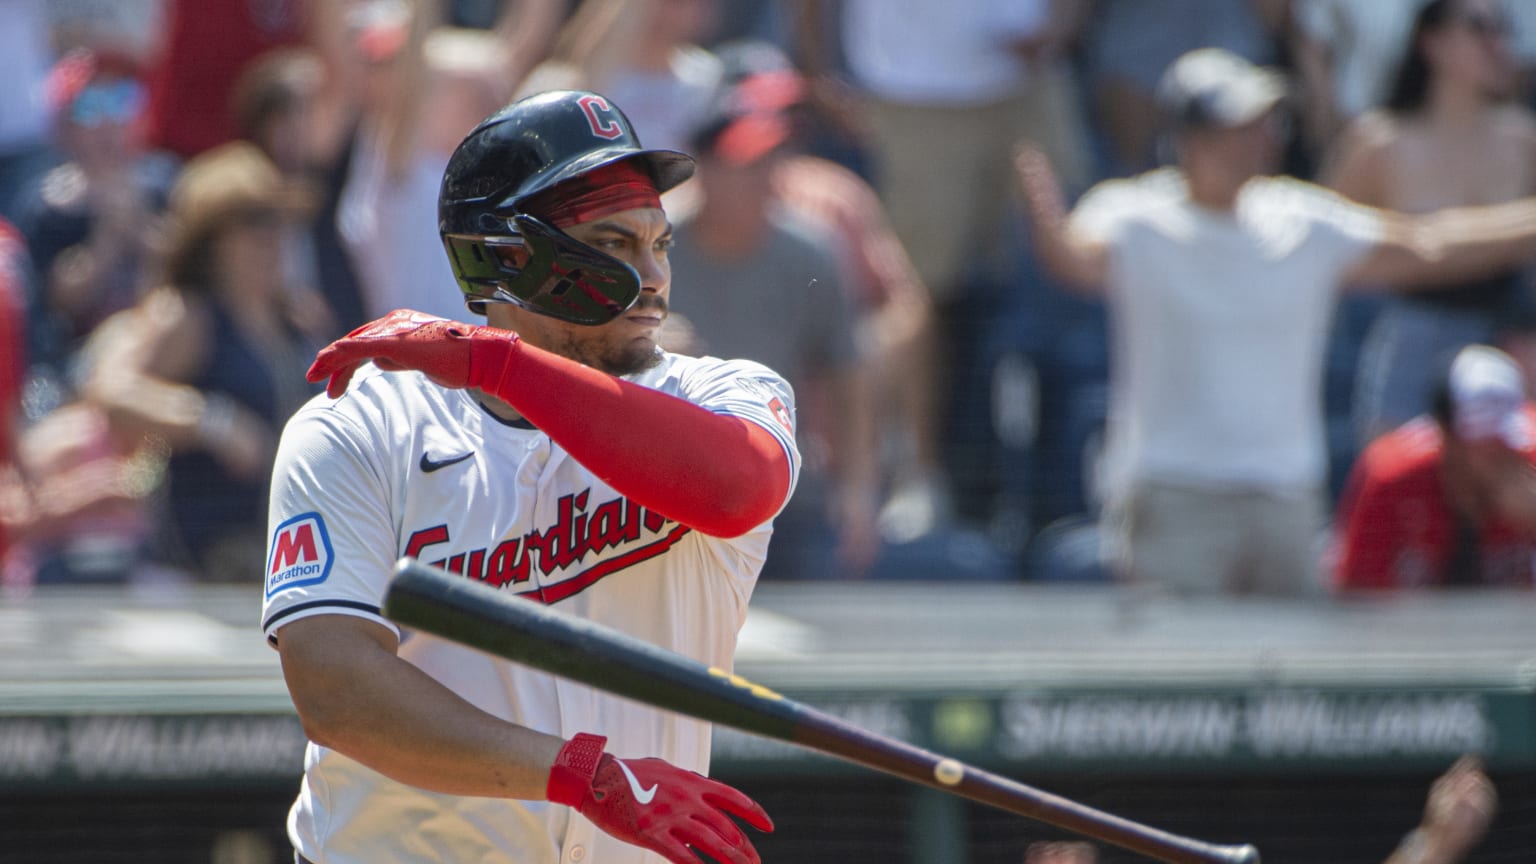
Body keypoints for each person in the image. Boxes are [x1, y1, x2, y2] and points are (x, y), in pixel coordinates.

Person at [265, 90, 792, 863]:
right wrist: (582, 775)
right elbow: (335, 688)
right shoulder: (359, 425)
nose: (652, 277)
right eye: (614, 243)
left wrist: (496, 363)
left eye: (660, 243)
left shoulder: (721, 395)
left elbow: (737, 488)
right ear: (507, 256)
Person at [1016, 47, 1536, 596]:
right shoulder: (1132, 214)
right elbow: (1076, 259)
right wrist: (1049, 231)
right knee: (1181, 672)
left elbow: (1430, 245)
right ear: (1192, 136)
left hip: (1285, 496)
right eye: (1241, 125)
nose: (1261, 138)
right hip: (1175, 495)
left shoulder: (1303, 219)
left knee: (1283, 671)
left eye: (1265, 124)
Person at [81, 142, 318, 580]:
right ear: (210, 242)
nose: (269, 238)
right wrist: (212, 421)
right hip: (201, 573)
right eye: (250, 223)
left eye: (275, 220)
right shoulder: (190, 315)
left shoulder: (297, 321)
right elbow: (112, 391)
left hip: (283, 562)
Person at [1323, 0, 1536, 445]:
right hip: (1409, 341)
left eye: (1504, 29)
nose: (1497, 44)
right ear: (1432, 42)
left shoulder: (1523, 140)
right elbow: (1321, 243)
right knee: (1398, 483)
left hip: (1509, 343)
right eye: (1480, 28)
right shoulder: (1381, 141)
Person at [1332, 343, 1536, 589]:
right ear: (1445, 435)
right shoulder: (1392, 477)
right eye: (1484, 444)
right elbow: (1356, 592)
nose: (1502, 455)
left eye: (1505, 440)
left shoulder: (1529, 462)